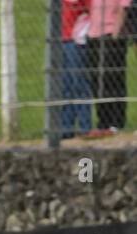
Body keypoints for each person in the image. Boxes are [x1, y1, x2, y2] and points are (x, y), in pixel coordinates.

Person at [85, 0, 134, 135]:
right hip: (93, 36)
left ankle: (116, 122)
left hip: (111, 35)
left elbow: (123, 10)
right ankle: (103, 122)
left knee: (113, 79)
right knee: (97, 81)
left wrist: (115, 36)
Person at [62, 1, 94, 137]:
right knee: (65, 86)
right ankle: (66, 128)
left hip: (76, 42)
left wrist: (82, 33)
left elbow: (92, 11)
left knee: (79, 84)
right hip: (60, 40)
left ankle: (84, 126)